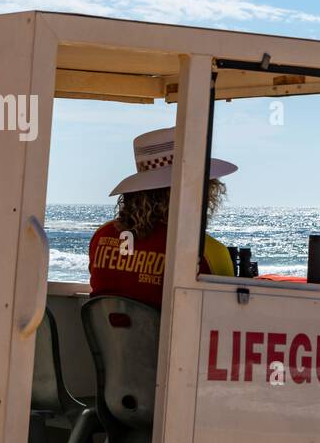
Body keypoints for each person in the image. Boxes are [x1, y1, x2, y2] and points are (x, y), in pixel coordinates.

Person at [89, 127, 237, 309]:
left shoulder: (102, 237)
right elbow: (226, 312)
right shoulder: (205, 251)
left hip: (108, 338)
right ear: (191, 191)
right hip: (172, 338)